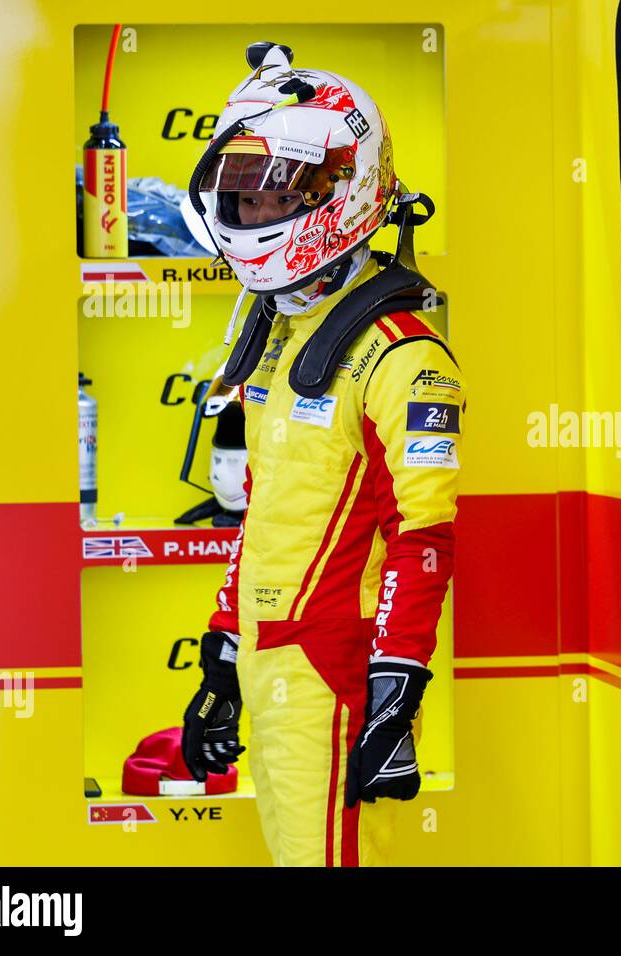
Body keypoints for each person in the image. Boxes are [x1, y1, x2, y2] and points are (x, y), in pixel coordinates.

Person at [179, 42, 464, 867]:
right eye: (237, 193)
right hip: (274, 662)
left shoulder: (402, 355)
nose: (251, 211)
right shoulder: (286, 336)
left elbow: (426, 537)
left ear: (341, 189)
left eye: (271, 193)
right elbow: (271, 513)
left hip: (333, 675)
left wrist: (394, 688)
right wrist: (223, 655)